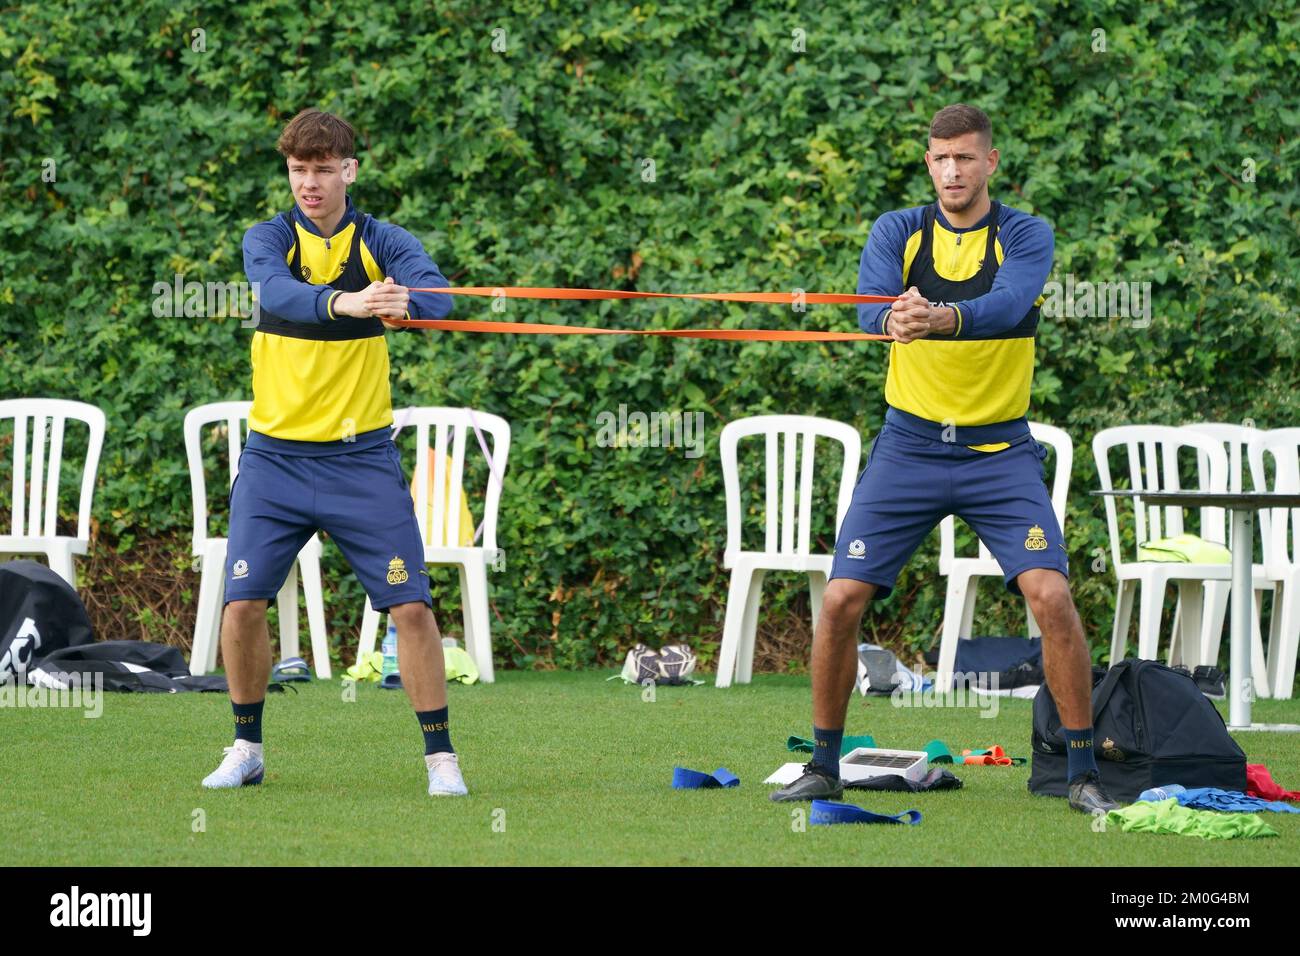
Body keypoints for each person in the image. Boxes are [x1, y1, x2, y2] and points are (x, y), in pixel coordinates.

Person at [770, 103, 1117, 813]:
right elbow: (871, 309)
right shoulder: (898, 230)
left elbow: (1010, 301)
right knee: (839, 600)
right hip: (910, 447)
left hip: (999, 452)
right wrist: (891, 317)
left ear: (990, 162)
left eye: (966, 157)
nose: (953, 170)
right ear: (928, 163)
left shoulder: (1024, 233)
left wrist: (939, 318)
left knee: (1050, 595)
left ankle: (1082, 774)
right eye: (940, 158)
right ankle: (825, 765)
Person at [201, 108, 468, 797]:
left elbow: (437, 294)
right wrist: (349, 304)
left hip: (361, 463)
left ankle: (441, 760)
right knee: (242, 605)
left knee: (411, 608)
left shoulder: (383, 240)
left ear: (349, 170)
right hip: (275, 463)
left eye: (323, 169)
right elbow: (276, 292)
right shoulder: (268, 239)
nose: (309, 184)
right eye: (298, 170)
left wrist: (411, 302)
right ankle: (247, 748)